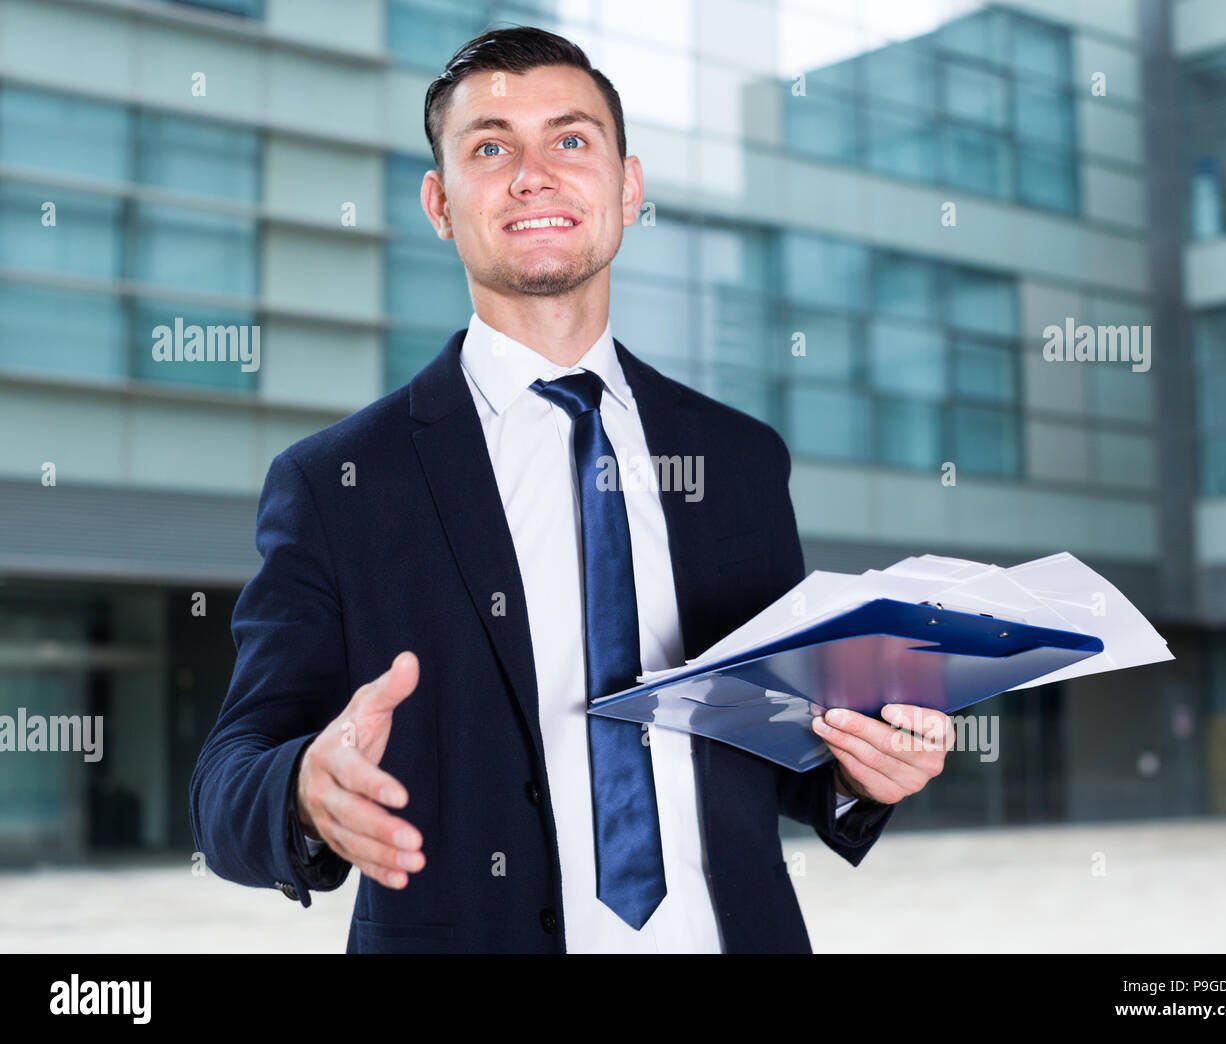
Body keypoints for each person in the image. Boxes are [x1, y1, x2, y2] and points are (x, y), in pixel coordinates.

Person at [189, 25, 951, 954]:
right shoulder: (336, 484)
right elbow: (225, 784)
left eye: (572, 140)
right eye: (490, 147)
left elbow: (783, 744)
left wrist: (863, 768)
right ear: (440, 203)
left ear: (628, 187)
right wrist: (305, 789)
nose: (533, 173)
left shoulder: (741, 460)